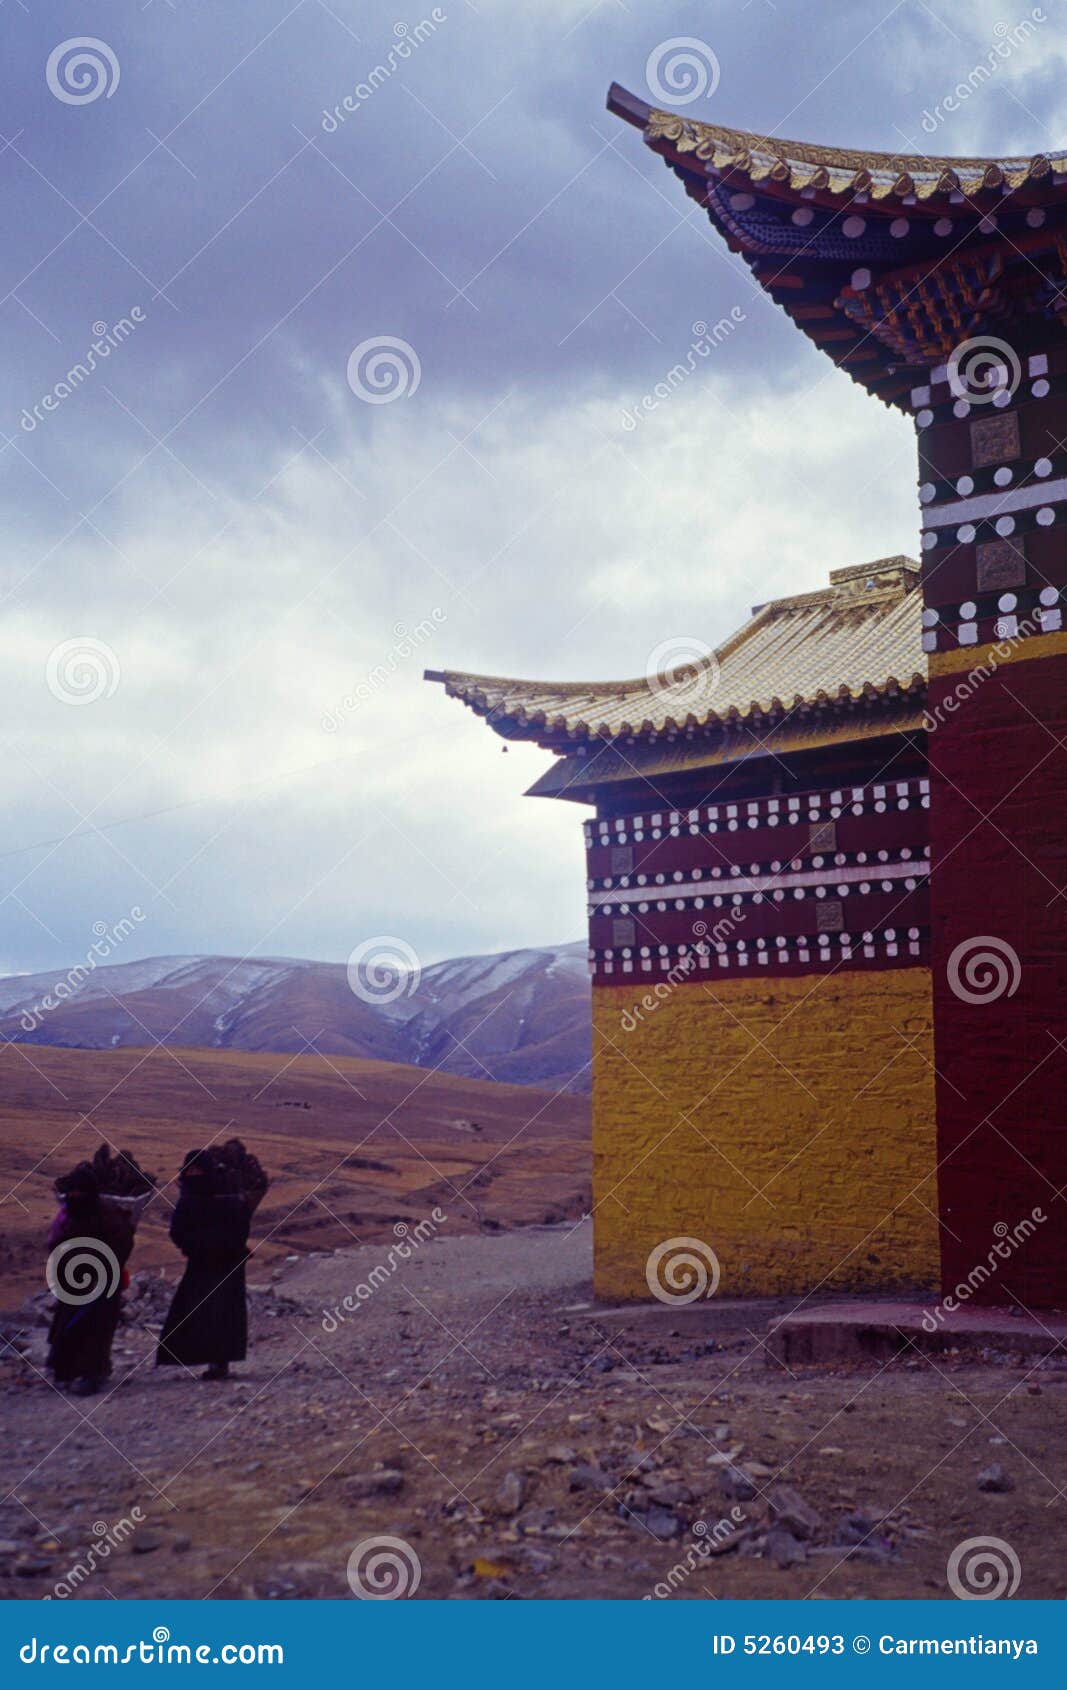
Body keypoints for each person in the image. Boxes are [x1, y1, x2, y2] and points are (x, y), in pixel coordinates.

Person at [156, 1150, 251, 1380]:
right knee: (198, 1311)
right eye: (190, 1170)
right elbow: (177, 1230)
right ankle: (205, 1359)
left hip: (226, 1263)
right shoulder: (192, 1196)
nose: (193, 1174)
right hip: (202, 1263)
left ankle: (220, 1363)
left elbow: (240, 1225)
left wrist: (221, 1245)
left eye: (197, 1170)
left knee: (223, 1313)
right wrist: (195, 1247)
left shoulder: (224, 1194)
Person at [47, 1164, 134, 1397]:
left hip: (103, 1281)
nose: (76, 1196)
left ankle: (92, 1374)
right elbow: (55, 1244)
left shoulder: (108, 1216)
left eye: (80, 1191)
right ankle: (64, 1370)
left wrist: (100, 1268)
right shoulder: (68, 1216)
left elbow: (122, 1244)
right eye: (72, 1191)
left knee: (97, 1330)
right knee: (68, 1325)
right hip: (73, 1280)